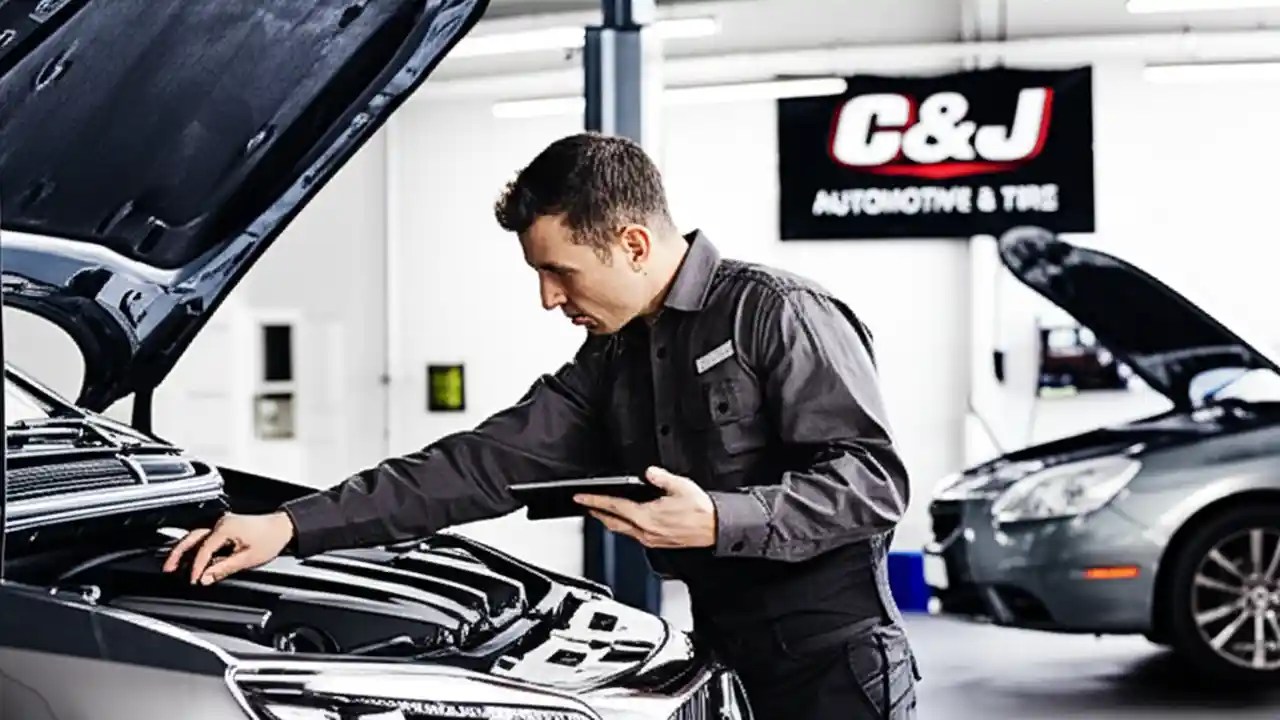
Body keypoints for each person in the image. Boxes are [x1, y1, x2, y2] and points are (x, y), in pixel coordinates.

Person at [163, 131, 920, 719]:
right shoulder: (614, 357)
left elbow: (873, 482)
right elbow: (481, 464)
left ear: (632, 244)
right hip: (723, 659)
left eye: (560, 272)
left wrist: (718, 520)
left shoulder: (776, 312)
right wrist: (289, 527)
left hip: (834, 672)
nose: (549, 299)